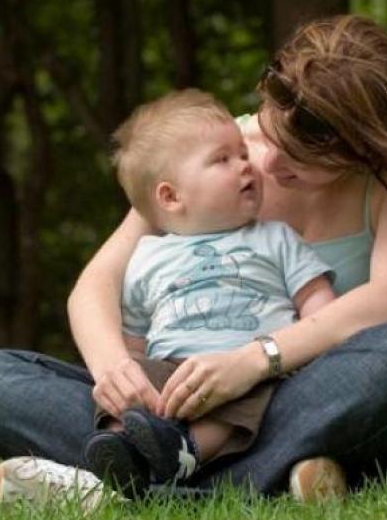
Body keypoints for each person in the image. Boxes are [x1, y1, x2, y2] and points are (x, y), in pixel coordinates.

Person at [0, 14, 387, 510]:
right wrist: (116, 372)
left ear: (364, 150)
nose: (267, 165)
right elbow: (97, 284)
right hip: (174, 402)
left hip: (296, 394)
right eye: (271, 135)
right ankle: (261, 479)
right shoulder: (216, 151)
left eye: (301, 160)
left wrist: (254, 360)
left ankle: (142, 487)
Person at [82, 89, 336, 498]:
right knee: (122, 389)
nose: (245, 166)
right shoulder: (147, 256)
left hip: (250, 368)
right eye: (222, 160)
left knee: (243, 403)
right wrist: (127, 379)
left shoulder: (275, 238)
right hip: (170, 373)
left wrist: (309, 358)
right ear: (170, 196)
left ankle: (187, 454)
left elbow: (318, 303)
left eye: (242, 153)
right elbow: (134, 338)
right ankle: (121, 450)